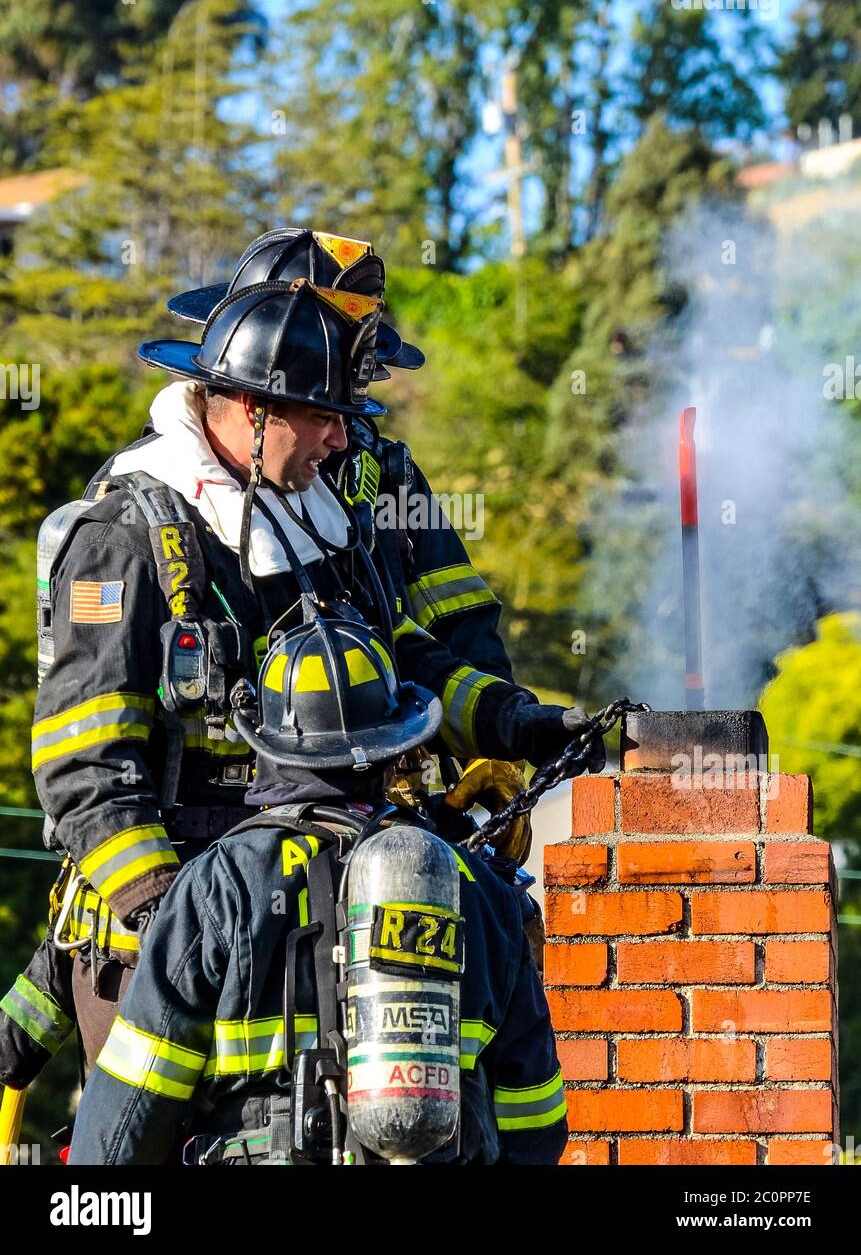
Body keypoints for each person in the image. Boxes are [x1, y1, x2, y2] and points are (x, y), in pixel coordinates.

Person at [29, 267, 596, 1073]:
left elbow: (402, 664)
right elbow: (83, 762)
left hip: (326, 899)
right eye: (325, 417)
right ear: (255, 411)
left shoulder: (321, 521)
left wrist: (514, 722)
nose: (341, 441)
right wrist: (167, 919)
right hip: (176, 907)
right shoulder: (127, 536)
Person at [67, 603, 568, 1166]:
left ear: (270, 744)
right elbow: (536, 1118)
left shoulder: (220, 883)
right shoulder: (475, 888)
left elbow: (130, 1111)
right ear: (397, 744)